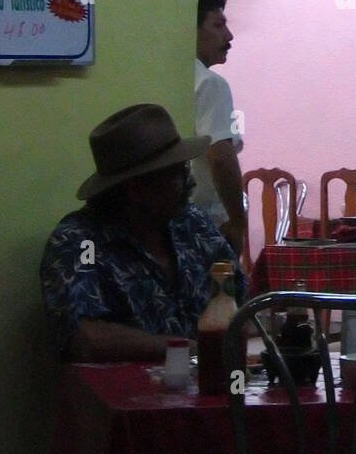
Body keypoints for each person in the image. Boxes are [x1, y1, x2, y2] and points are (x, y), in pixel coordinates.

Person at [40, 103, 243, 362]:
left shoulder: (193, 225)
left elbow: (238, 300)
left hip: (210, 391)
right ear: (136, 189)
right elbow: (86, 339)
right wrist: (190, 351)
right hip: (126, 397)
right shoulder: (79, 242)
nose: (188, 182)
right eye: (177, 174)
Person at [195, 0, 246, 258]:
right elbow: (220, 157)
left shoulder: (173, 79)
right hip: (208, 228)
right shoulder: (210, 83)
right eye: (217, 25)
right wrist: (238, 224)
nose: (229, 36)